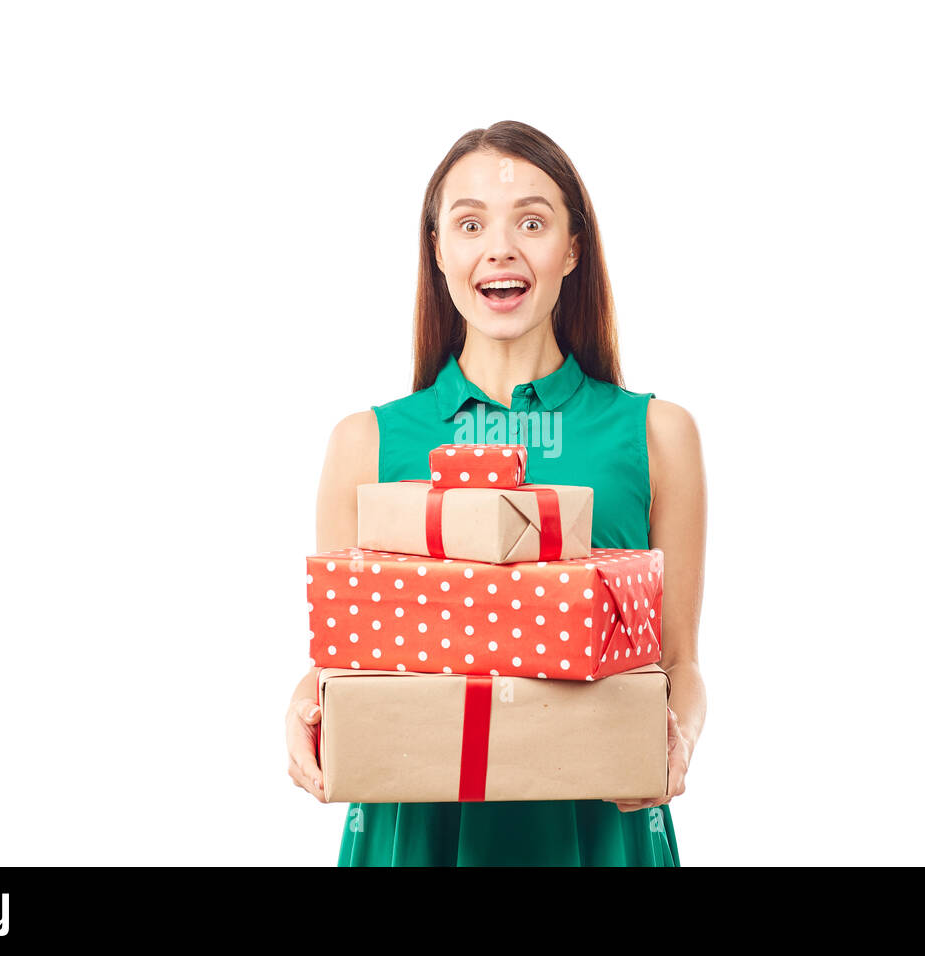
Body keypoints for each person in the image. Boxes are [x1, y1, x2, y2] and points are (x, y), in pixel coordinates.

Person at [286, 120, 707, 865]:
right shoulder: (367, 443)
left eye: (533, 222)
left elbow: (680, 666)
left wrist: (678, 733)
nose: (500, 248)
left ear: (572, 248)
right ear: (438, 250)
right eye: (470, 223)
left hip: (595, 825)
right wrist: (305, 704)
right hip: (419, 832)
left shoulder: (655, 435)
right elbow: (342, 665)